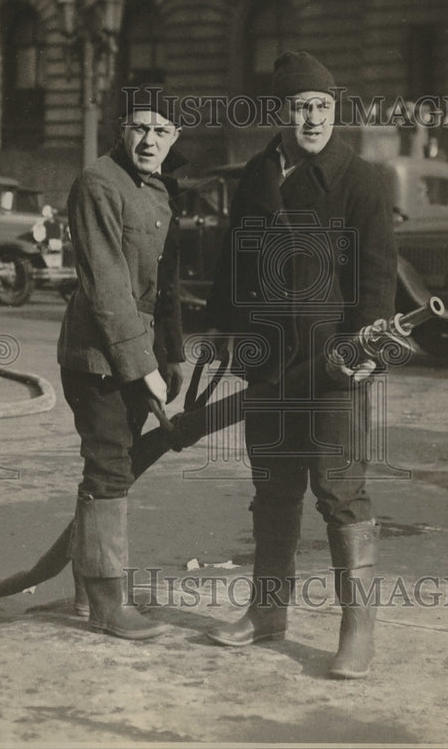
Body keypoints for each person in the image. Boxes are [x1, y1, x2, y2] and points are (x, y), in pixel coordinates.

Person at [205, 51, 398, 678]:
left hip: (332, 361)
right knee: (274, 489)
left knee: (340, 492)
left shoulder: (362, 180)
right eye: (299, 107)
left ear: (334, 110)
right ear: (280, 113)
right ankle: (267, 612)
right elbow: (233, 261)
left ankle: (358, 632)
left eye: (321, 106)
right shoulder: (256, 176)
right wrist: (222, 326)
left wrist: (370, 353)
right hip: (266, 358)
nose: (312, 118)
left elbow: (376, 282)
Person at [57, 86, 185, 640]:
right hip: (96, 358)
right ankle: (109, 605)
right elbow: (108, 284)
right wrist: (143, 366)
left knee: (114, 466)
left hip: (135, 354)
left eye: (161, 130)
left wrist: (172, 354)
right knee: (110, 467)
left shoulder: (158, 192)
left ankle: (88, 588)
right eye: (139, 128)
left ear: (174, 137)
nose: (150, 140)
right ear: (121, 129)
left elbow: (167, 283)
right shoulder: (97, 184)